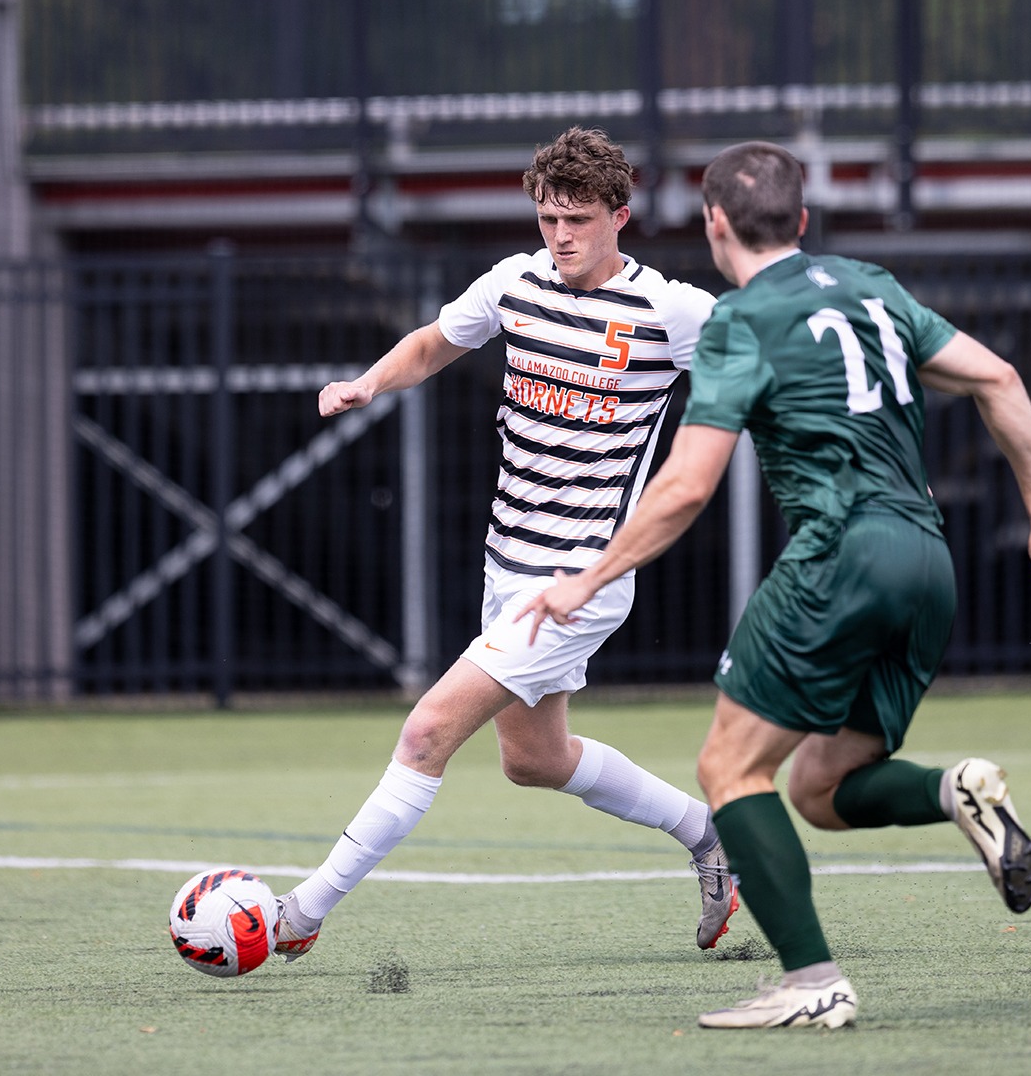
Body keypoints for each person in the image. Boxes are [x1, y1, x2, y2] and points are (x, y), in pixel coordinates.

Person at [518, 140, 1031, 1029]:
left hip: (840, 555)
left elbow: (686, 485)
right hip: (926, 563)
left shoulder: (742, 322)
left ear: (714, 223)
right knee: (823, 788)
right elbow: (999, 378)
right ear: (804, 222)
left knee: (727, 768)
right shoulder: (873, 287)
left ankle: (812, 980)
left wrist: (588, 575)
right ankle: (956, 788)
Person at [271, 127, 735, 962]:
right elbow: (432, 344)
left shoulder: (670, 309)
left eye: (578, 219)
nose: (560, 235)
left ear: (620, 217)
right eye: (548, 217)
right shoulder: (513, 283)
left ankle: (297, 914)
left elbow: (768, 373)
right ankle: (710, 835)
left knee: (425, 734)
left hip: (581, 577)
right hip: (507, 564)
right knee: (533, 759)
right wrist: (366, 382)